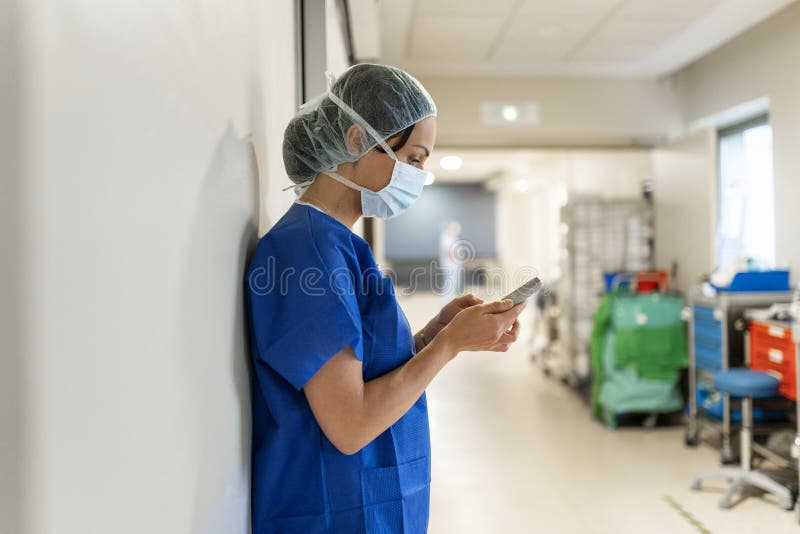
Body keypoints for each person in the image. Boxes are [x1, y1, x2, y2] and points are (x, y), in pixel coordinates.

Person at [245, 63, 525, 534]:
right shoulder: (306, 252)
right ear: (357, 141)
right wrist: (449, 345)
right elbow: (349, 424)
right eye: (414, 158)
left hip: (362, 503)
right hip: (330, 511)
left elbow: (359, 369)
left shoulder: (337, 244)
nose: (420, 173)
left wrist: (437, 332)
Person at [438, 220, 464, 301]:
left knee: (454, 283)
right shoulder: (446, 237)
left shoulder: (454, 237)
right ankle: (447, 300)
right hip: (450, 264)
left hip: (455, 264)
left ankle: (451, 299)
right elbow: (447, 251)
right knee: (449, 283)